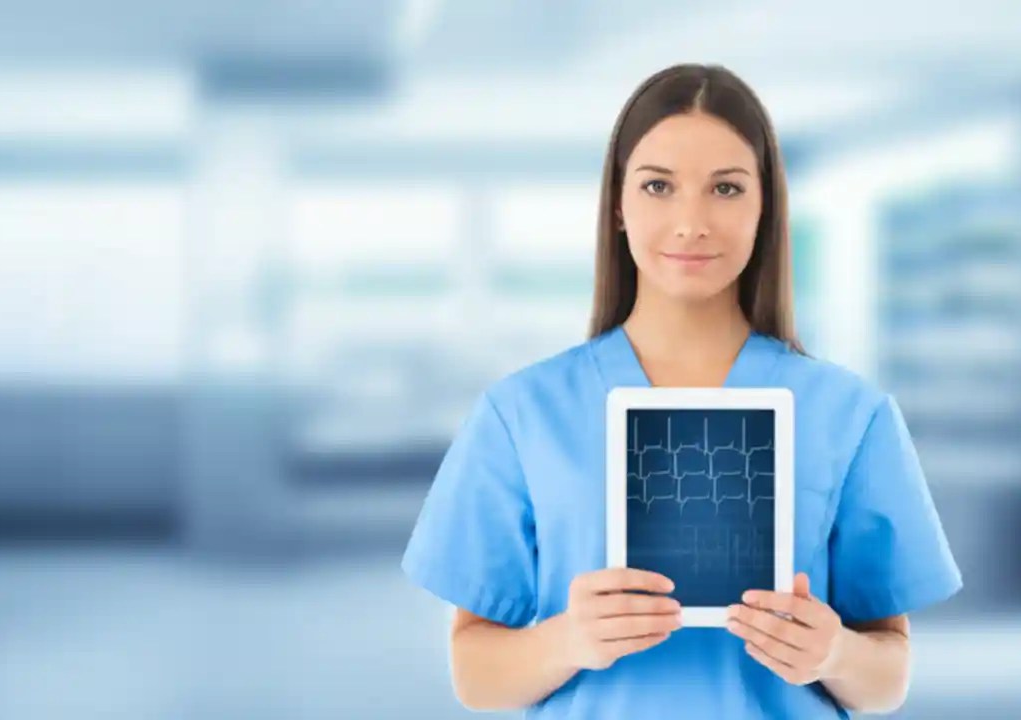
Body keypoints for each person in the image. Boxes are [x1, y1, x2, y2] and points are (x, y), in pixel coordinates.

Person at [400, 63, 962, 718]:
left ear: (765, 208)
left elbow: (886, 678)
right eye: (658, 186)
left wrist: (832, 654)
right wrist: (567, 641)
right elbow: (476, 676)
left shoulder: (850, 416)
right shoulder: (522, 414)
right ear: (617, 203)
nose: (691, 221)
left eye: (725, 188)